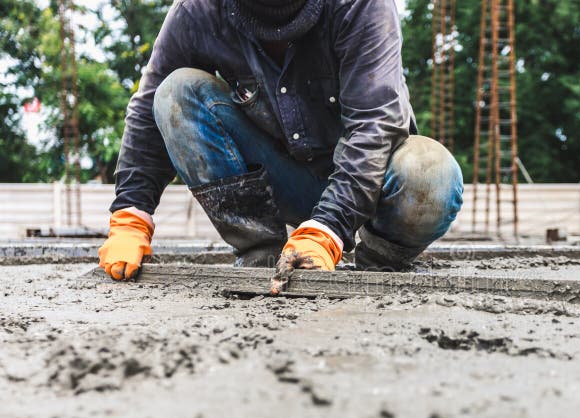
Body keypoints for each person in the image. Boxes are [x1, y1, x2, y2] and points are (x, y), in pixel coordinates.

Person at [97, 0, 464, 293]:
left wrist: (328, 227)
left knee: (432, 174)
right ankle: (260, 253)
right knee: (176, 92)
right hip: (287, 181)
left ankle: (376, 261)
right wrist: (131, 213)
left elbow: (375, 124)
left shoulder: (359, 6)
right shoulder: (199, 12)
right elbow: (146, 112)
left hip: (375, 186)